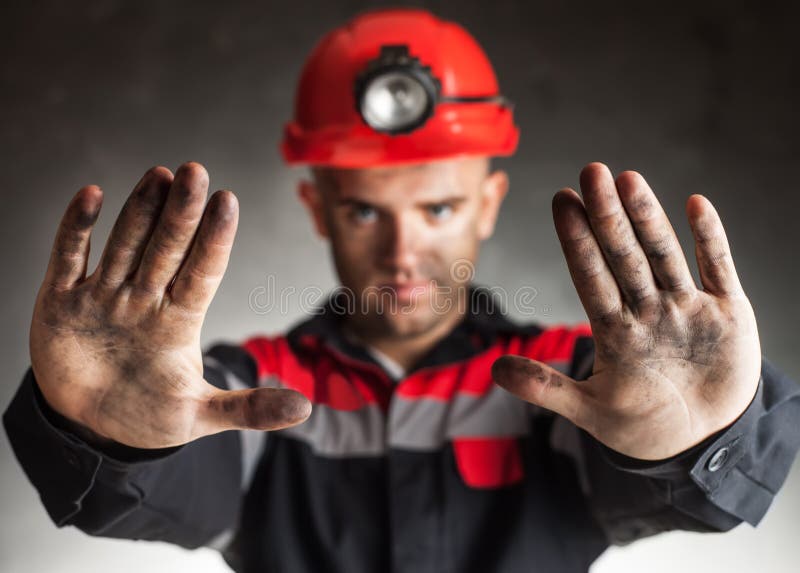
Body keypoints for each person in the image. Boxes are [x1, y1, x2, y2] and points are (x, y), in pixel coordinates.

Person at [4, 7, 800, 573]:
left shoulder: (576, 381)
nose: (402, 252)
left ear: (488, 202)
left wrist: (702, 440)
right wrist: (111, 440)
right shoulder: (244, 391)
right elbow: (156, 493)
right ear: (317, 208)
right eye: (363, 210)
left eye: (439, 207)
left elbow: (701, 498)